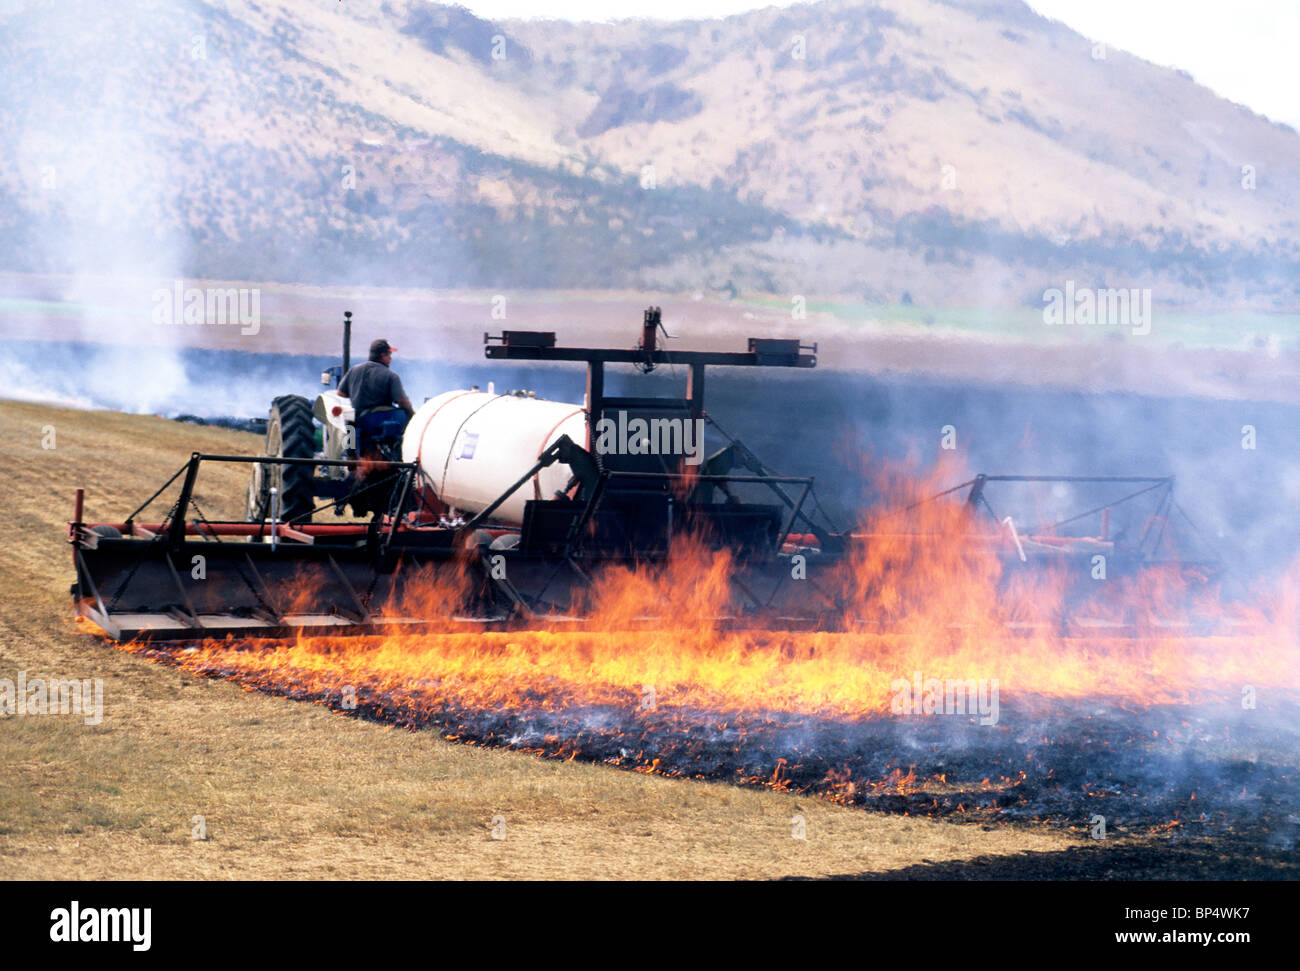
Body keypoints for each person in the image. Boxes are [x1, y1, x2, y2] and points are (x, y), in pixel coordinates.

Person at [338, 338, 415, 454]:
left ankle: (352, 457)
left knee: (350, 423)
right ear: (383, 355)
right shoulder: (390, 375)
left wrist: (356, 393)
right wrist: (413, 415)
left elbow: (341, 393)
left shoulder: (354, 370)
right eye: (389, 354)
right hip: (381, 419)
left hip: (360, 421)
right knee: (407, 418)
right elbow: (402, 400)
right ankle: (403, 452)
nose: (391, 358)